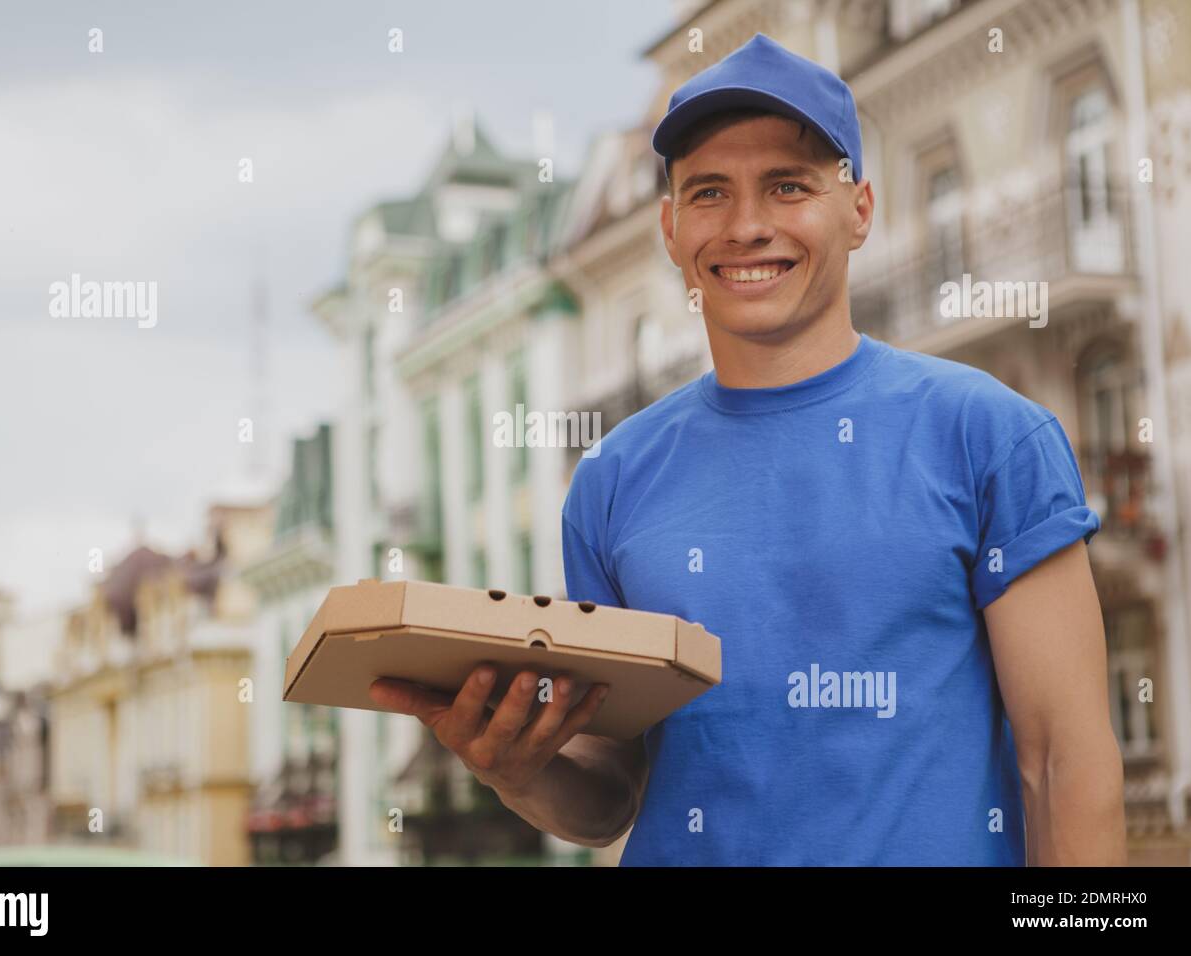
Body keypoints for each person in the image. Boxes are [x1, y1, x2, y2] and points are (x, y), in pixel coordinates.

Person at [369, 32, 1126, 865]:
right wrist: (517, 772)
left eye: (788, 186)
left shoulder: (989, 436)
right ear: (669, 227)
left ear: (859, 209)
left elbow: (1064, 763)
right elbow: (613, 792)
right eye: (709, 194)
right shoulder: (613, 479)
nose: (747, 226)